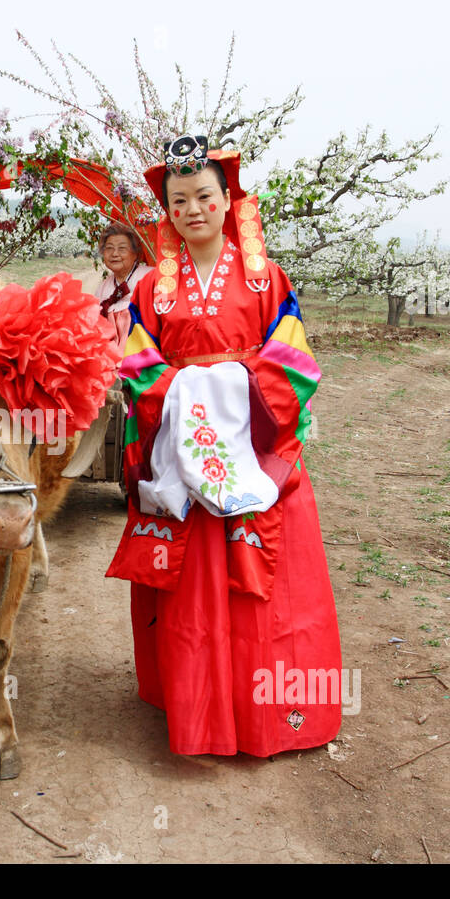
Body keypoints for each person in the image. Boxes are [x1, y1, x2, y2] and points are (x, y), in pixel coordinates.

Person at [106, 134, 342, 757]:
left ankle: (266, 718)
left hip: (253, 453)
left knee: (263, 593)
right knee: (194, 596)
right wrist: (188, 397)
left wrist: (226, 395)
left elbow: (294, 363)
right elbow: (137, 367)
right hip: (185, 460)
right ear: (167, 211)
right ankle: (197, 709)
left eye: (204, 196)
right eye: (178, 200)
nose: (192, 209)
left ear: (228, 198)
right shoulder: (151, 290)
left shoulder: (267, 279)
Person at [93, 222, 152, 350]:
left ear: (135, 253)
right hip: (111, 355)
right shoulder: (103, 287)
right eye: (109, 248)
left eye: (122, 248)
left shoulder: (150, 277)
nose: (114, 254)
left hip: (143, 353)